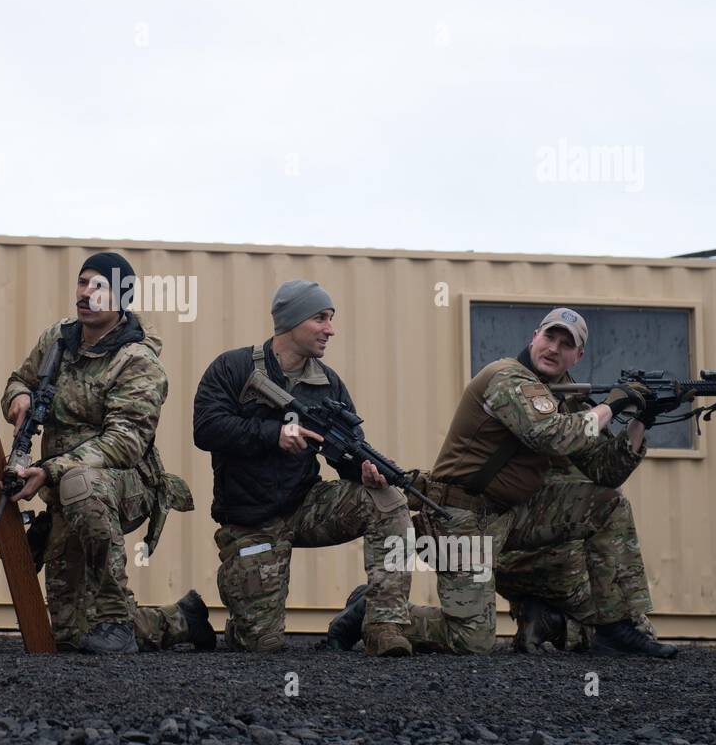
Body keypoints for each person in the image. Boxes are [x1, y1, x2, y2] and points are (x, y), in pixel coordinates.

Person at [392, 306, 677, 658]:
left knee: (609, 503)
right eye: (549, 337)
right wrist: (612, 406)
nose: (554, 348)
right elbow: (551, 437)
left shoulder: (562, 398)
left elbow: (607, 472)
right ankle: (379, 613)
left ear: (578, 355)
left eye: (565, 344)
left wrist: (642, 420)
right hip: (461, 519)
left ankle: (613, 626)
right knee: (471, 640)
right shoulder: (507, 377)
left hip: (511, 518)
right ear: (534, 337)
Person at [1, 252, 214, 655]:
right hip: (64, 490)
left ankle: (116, 616)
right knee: (69, 636)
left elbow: (124, 443)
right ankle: (181, 620)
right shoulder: (57, 339)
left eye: (98, 286)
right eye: (82, 283)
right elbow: (18, 380)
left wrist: (48, 471)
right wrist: (20, 398)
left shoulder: (138, 362)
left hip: (124, 484)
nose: (85, 293)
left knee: (83, 482)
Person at [192, 280, 413, 655]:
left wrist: (363, 471)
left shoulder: (328, 384)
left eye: (331, 319)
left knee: (387, 501)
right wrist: (272, 433)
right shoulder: (234, 367)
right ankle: (234, 620)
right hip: (250, 518)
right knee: (261, 644)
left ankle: (383, 625)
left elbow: (346, 453)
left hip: (305, 504)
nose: (330, 329)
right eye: (320, 318)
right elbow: (206, 428)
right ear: (291, 322)